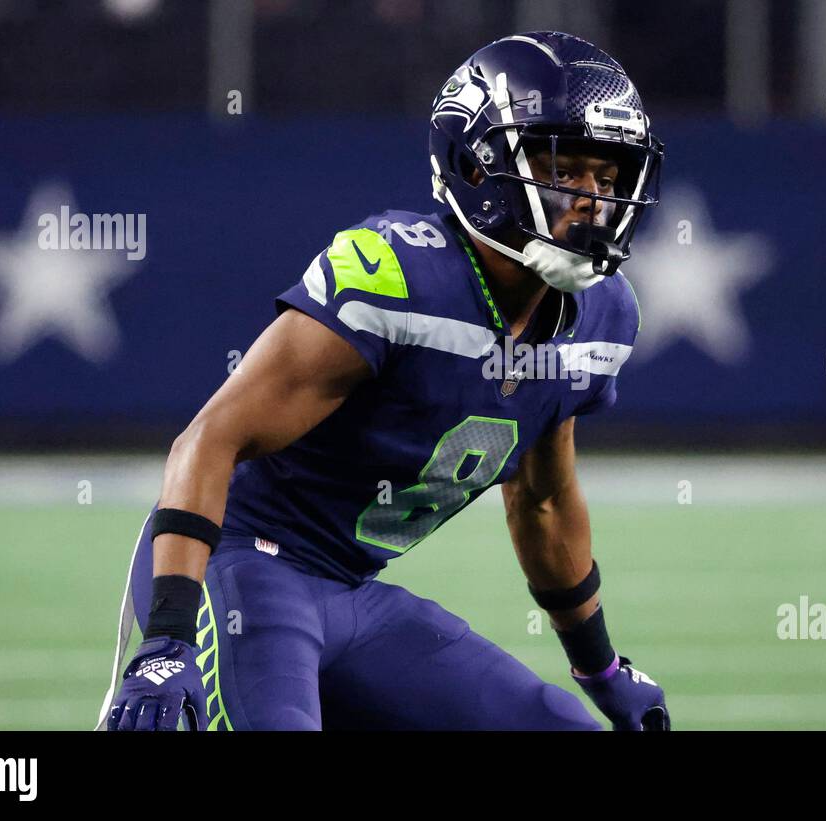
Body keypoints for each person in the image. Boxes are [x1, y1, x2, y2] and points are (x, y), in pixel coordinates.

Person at [98, 30, 668, 731]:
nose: (593, 199)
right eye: (568, 170)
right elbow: (208, 441)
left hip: (351, 593)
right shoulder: (398, 276)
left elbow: (544, 503)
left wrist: (601, 668)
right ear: (478, 168)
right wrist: (166, 638)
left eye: (608, 179)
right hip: (238, 567)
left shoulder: (601, 316)